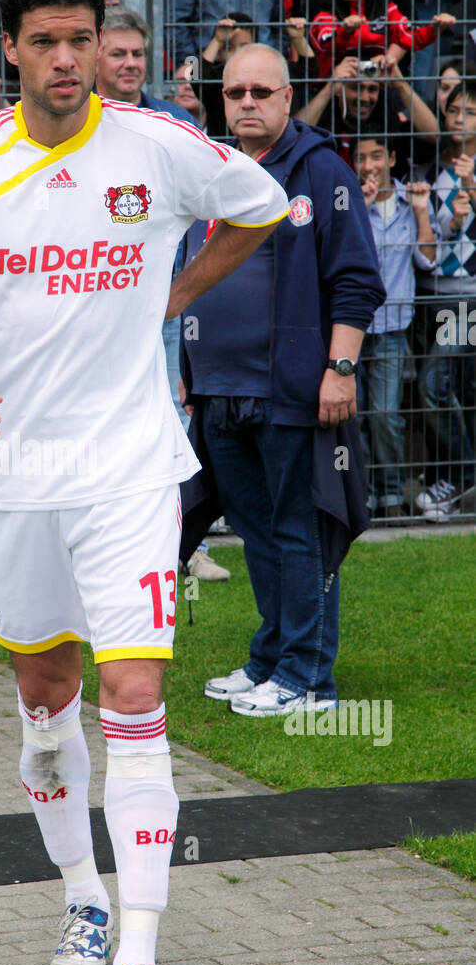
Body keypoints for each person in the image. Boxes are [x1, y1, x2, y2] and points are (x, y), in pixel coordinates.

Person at [0, 0, 289, 965]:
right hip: (15, 481)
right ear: (8, 48)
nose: (67, 61)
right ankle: (83, 902)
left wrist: (177, 289)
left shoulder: (154, 144)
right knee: (45, 698)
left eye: (82, 41)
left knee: (137, 695)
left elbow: (259, 203)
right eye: (45, 43)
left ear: (103, 42)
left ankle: (142, 964)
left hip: (129, 469)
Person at [179, 43, 385, 717]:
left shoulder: (321, 169)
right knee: (256, 532)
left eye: (260, 93)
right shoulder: (211, 171)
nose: (245, 104)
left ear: (288, 98)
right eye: (235, 93)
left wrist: (340, 369)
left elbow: (356, 280)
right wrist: (188, 370)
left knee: (301, 531)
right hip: (217, 386)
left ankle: (308, 679)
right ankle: (270, 659)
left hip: (293, 388)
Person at [94, 5, 231, 585]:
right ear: (96, 54)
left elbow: (213, 211)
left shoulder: (175, 121)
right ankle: (102, 539)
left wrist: (180, 292)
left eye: (137, 54)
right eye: (118, 53)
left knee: (168, 416)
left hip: (162, 305)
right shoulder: (75, 119)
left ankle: (177, 545)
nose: (129, 64)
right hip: (88, 300)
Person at [353, 127, 438, 516]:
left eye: (375, 156)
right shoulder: (350, 203)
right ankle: (362, 492)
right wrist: (359, 210)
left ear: (390, 160)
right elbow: (350, 263)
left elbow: (428, 260)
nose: (367, 166)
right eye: (360, 158)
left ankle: (390, 492)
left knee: (385, 415)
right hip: (352, 329)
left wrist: (422, 213)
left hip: (391, 329)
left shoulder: (412, 200)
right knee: (355, 415)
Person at [413, 79, 476, 518]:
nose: (460, 120)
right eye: (454, 111)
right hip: (432, 294)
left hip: (468, 299)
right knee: (454, 386)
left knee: (434, 385)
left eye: (470, 112)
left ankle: (462, 475)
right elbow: (436, 240)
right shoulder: (434, 167)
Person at [308, 0, 454, 80]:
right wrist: (345, 31)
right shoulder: (326, 8)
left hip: (376, 85)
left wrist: (434, 29)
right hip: (335, 88)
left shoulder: (384, 7)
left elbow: (409, 36)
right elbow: (324, 44)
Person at [297, 53, 439, 171]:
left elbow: (436, 136)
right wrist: (329, 88)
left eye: (372, 89)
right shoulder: (325, 116)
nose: (364, 98)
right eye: (356, 88)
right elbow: (293, 135)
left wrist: (400, 84)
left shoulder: (387, 117)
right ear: (339, 90)